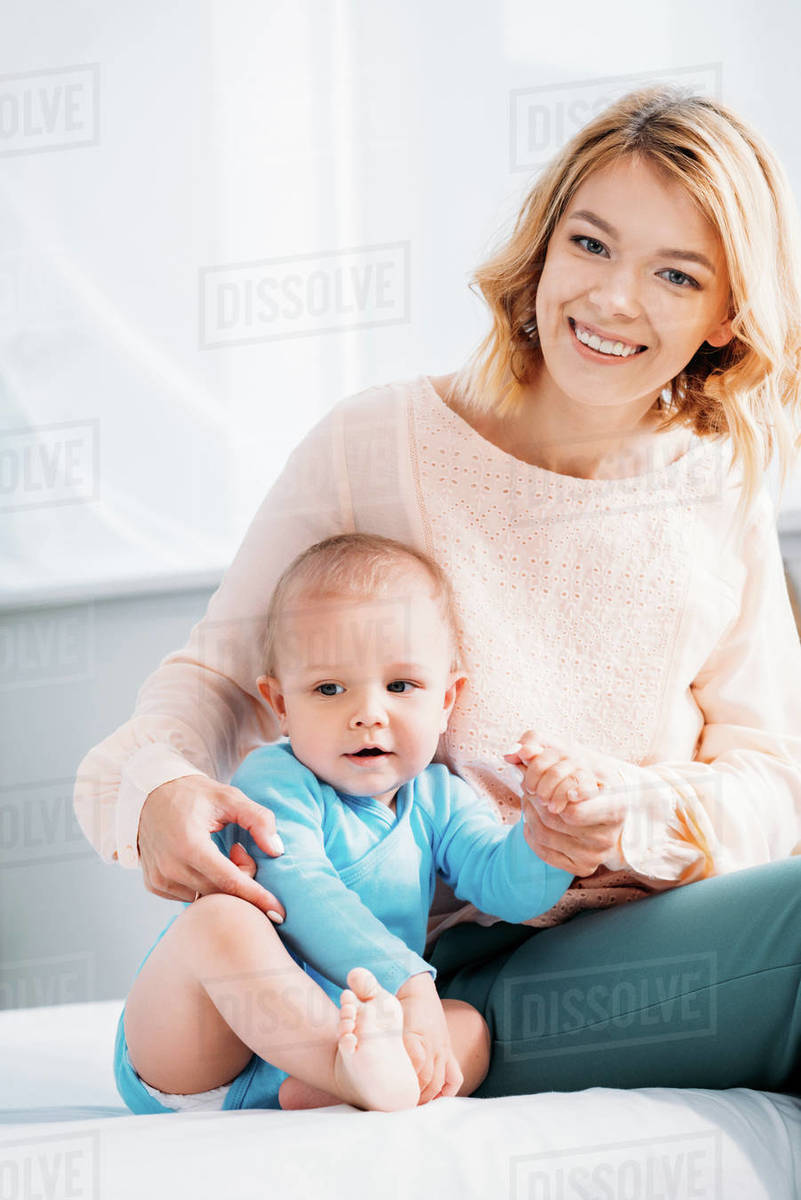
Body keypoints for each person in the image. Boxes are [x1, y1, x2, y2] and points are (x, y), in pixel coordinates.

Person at [76, 85, 801, 1098]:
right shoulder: (378, 445)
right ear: (543, 250)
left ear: (729, 316)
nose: (613, 300)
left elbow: (772, 782)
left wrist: (623, 810)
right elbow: (215, 684)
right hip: (403, 958)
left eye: (676, 274)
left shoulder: (719, 487)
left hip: (618, 940)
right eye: (590, 246)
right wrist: (157, 789)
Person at [114, 533, 577, 1113]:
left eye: (401, 685)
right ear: (281, 705)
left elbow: (508, 889)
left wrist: (550, 834)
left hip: (351, 1041)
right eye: (329, 689)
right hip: (206, 1046)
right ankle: (341, 1068)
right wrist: (407, 980)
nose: (367, 714)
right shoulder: (274, 781)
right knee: (220, 921)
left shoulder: (439, 798)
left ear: (447, 700)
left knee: (468, 1027)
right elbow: (301, 889)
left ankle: (337, 1086)